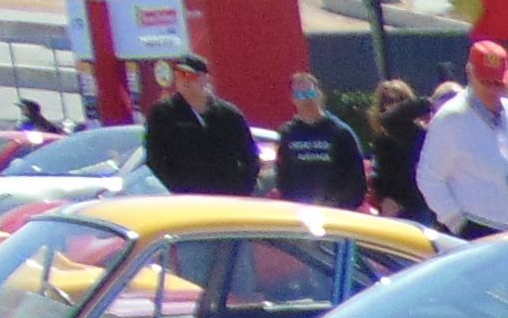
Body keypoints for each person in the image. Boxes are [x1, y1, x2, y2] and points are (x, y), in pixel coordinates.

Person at [416, 38, 508, 238]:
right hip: (480, 230)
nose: (492, 90)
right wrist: (458, 222)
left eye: (498, 83)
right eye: (486, 82)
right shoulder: (451, 118)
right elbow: (429, 177)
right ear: (470, 74)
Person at [141, 52, 257, 197]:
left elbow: (250, 157)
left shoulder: (229, 115)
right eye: (178, 75)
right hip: (186, 200)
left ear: (205, 79)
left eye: (190, 75)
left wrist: (241, 191)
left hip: (227, 199)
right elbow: (154, 158)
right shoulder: (163, 114)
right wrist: (176, 188)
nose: (184, 80)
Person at [271, 70, 366, 209]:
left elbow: (356, 178)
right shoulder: (287, 134)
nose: (306, 99)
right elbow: (283, 176)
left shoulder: (340, 132)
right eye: (300, 95)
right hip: (299, 212)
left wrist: (337, 203)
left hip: (336, 212)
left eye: (310, 94)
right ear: (293, 99)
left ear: (320, 95)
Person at [366, 77, 427, 219]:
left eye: (399, 100)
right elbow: (379, 176)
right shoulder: (381, 141)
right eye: (387, 101)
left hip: (419, 207)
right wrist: (385, 198)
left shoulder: (421, 135)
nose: (393, 105)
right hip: (391, 210)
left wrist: (401, 202)